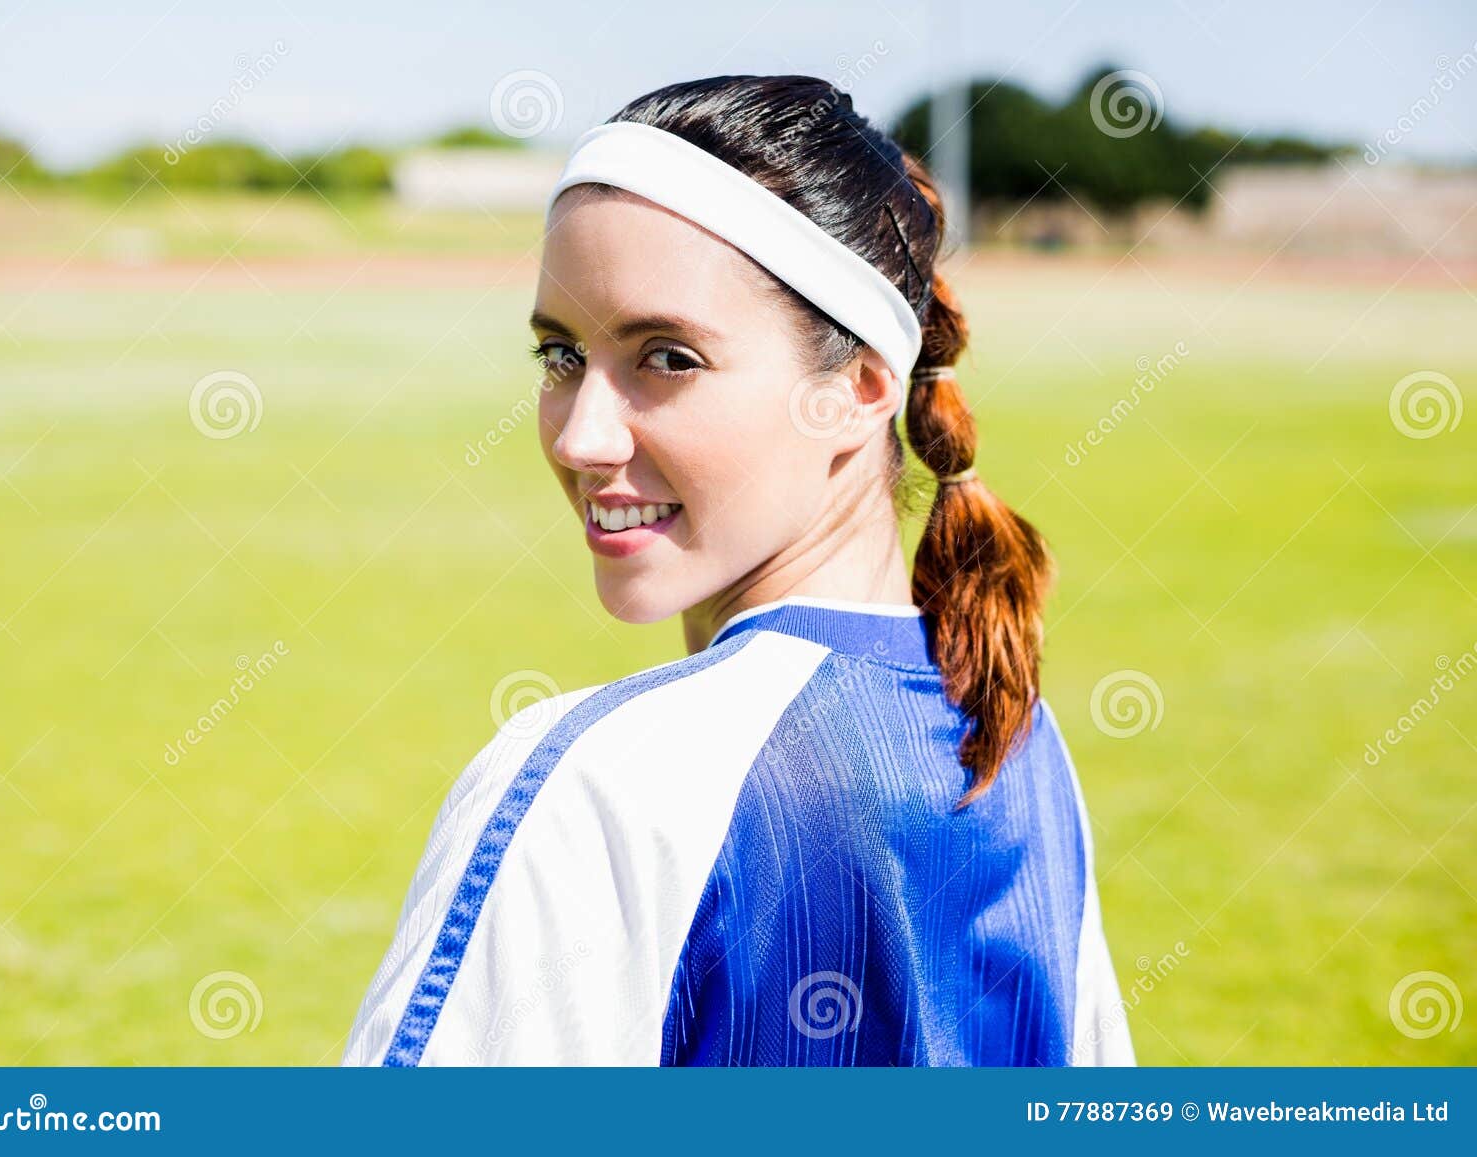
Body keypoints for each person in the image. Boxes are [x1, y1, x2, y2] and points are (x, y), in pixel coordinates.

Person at [342, 75, 1134, 1067]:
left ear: (858, 387)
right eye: (559, 355)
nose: (583, 436)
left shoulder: (604, 779)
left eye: (667, 357)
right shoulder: (1009, 723)